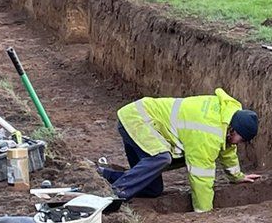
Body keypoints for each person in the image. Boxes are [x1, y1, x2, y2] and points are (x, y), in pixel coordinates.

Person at [98, 88, 261, 212]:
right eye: (242, 138)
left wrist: (237, 177)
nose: (240, 143)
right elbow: (201, 177)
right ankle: (115, 195)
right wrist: (204, 212)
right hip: (136, 120)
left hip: (143, 123)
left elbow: (227, 150)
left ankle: (104, 175)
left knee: (153, 189)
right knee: (162, 158)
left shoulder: (227, 117)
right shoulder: (208, 132)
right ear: (234, 129)